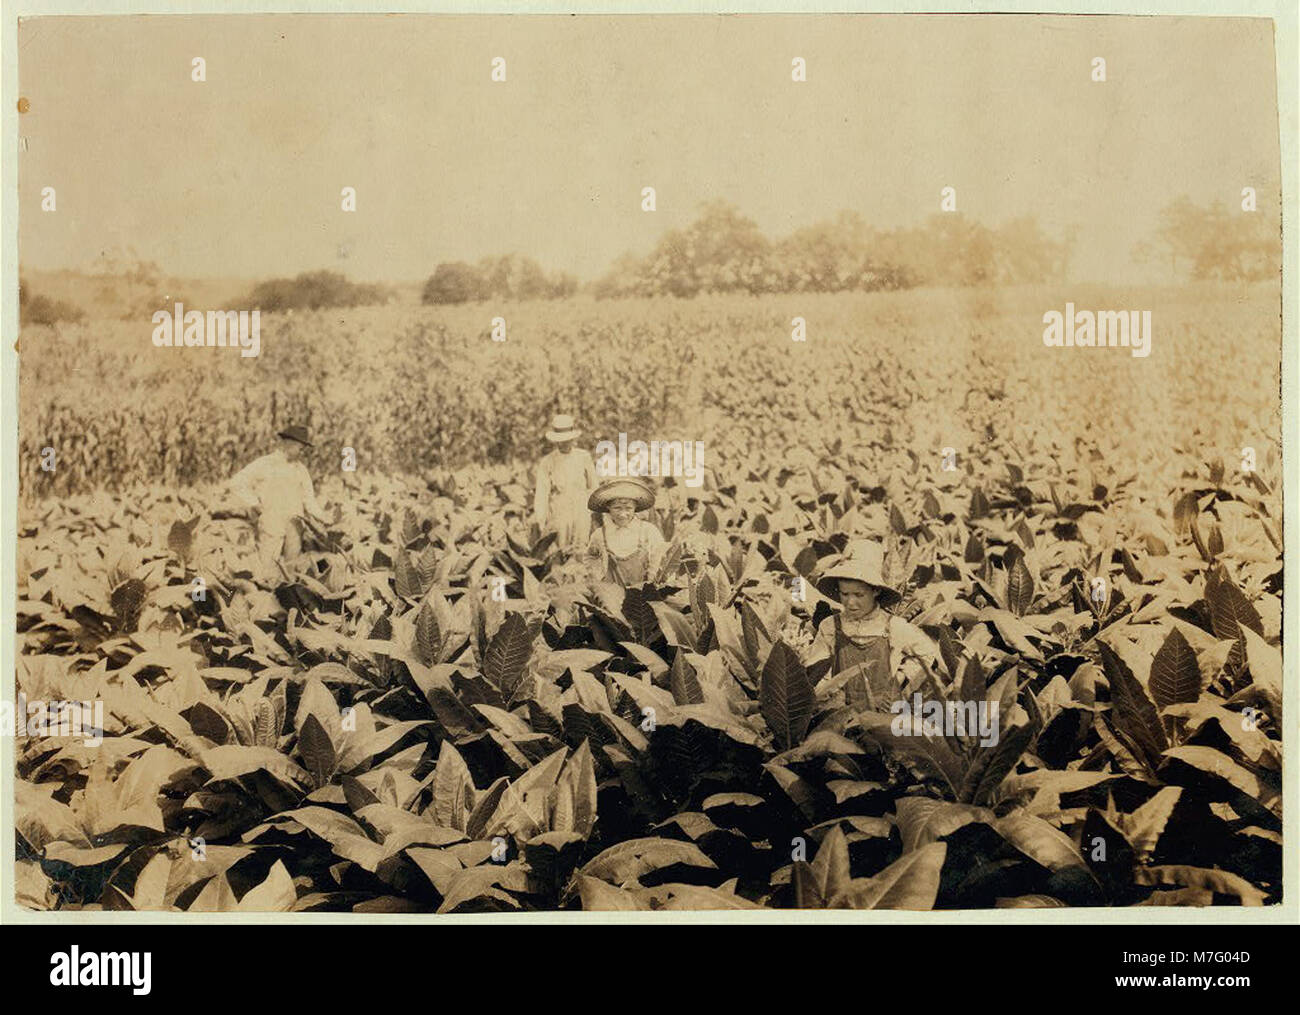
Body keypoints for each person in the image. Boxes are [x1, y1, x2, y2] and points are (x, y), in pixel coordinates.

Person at [805, 539, 939, 693]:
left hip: (883, 711)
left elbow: (927, 653)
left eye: (859, 595)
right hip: (839, 711)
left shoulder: (894, 627)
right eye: (844, 594)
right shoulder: (830, 626)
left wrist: (901, 678)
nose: (850, 602)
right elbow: (817, 669)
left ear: (876, 591)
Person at [226, 425, 329, 579]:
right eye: (300, 448)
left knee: (292, 571)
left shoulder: (301, 470)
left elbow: (309, 500)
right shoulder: (265, 464)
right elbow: (236, 482)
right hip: (271, 522)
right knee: (267, 569)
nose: (302, 452)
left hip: (294, 526)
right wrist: (254, 503)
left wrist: (324, 518)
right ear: (289, 444)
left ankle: (288, 601)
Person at [585, 477, 667, 587]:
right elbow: (590, 557)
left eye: (628, 508)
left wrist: (651, 581)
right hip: (611, 597)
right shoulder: (599, 535)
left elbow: (660, 556)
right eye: (617, 508)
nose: (623, 514)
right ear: (608, 507)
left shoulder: (648, 531)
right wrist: (598, 576)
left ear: (635, 507)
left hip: (643, 595)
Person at [532, 414, 597, 551]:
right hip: (559, 511)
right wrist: (541, 518)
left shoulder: (583, 457)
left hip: (581, 509)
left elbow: (593, 486)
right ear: (555, 441)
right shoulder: (548, 461)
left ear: (573, 438)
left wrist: (591, 512)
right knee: (561, 550)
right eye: (560, 440)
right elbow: (542, 493)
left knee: (581, 549)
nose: (564, 443)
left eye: (567, 439)